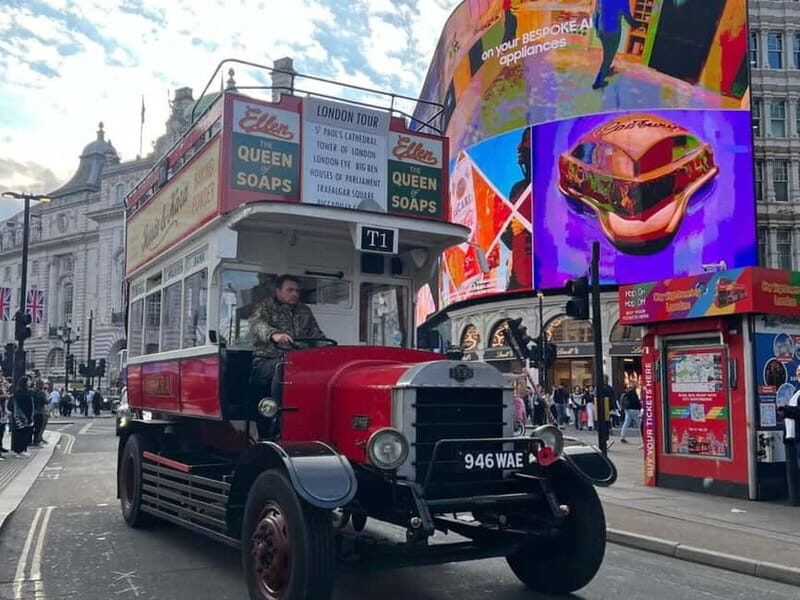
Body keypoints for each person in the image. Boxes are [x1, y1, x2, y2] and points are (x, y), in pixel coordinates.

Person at [249, 274, 326, 399]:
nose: (295, 294)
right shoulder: (265, 306)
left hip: (300, 359)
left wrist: (329, 350)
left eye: (297, 291)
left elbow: (316, 335)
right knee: (283, 367)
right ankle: (277, 407)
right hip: (267, 360)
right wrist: (273, 334)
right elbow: (257, 325)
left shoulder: (304, 310)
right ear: (278, 291)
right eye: (290, 290)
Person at [592, 0, 637, 90]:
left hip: (601, 29)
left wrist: (597, 30)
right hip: (613, 32)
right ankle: (598, 82)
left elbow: (596, 13)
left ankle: (606, 71)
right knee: (608, 57)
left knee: (607, 54)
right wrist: (637, 25)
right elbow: (627, 16)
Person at [11, 376, 34, 458]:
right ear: (24, 382)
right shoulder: (20, 392)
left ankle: (23, 450)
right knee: (21, 433)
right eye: (28, 381)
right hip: (21, 416)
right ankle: (19, 451)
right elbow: (22, 406)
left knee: (25, 433)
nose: (30, 382)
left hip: (26, 415)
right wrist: (26, 416)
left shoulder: (26, 391)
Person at [31, 379, 48, 447]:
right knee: (39, 428)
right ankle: (36, 441)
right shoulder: (41, 393)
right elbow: (45, 401)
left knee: (33, 427)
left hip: (33, 411)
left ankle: (32, 441)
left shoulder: (33, 392)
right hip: (40, 411)